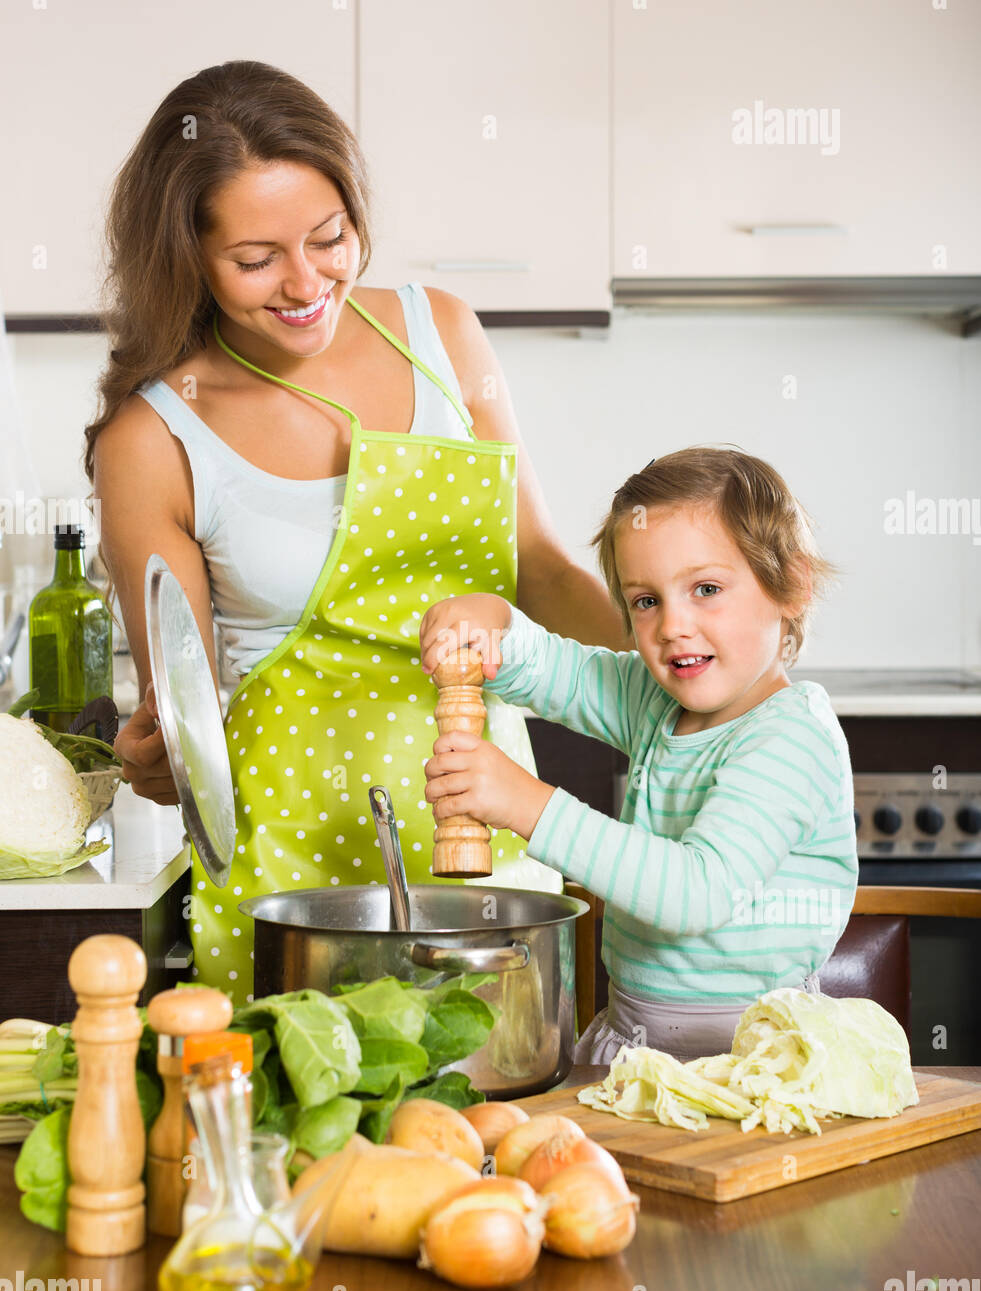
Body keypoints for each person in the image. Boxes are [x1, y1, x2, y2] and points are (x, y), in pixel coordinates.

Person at [85, 60, 630, 1004]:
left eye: (329, 239)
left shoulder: (442, 333)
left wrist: (678, 684)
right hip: (290, 875)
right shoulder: (153, 437)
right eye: (256, 261)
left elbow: (536, 567)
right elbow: (189, 708)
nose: (305, 283)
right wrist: (162, 753)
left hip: (483, 831)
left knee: (496, 1119)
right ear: (188, 259)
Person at [420, 446, 859, 1063]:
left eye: (705, 589)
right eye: (646, 600)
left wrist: (528, 805)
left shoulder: (792, 736)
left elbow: (697, 892)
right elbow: (564, 675)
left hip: (755, 1062)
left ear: (791, 585)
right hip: (631, 1044)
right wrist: (491, 625)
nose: (672, 625)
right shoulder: (653, 699)